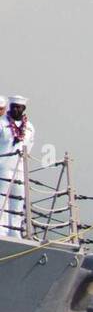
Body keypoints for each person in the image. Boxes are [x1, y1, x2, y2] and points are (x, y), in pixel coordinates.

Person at [0, 95, 35, 237]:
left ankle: (14, 231)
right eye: (13, 106)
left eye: (18, 107)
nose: (15, 109)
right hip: (3, 167)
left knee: (18, 199)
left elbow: (29, 146)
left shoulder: (30, 128)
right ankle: (1, 229)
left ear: (23, 108)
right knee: (1, 198)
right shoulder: (2, 124)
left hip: (20, 168)